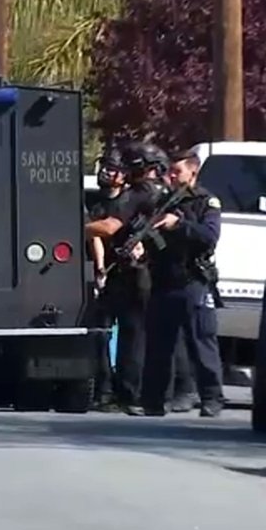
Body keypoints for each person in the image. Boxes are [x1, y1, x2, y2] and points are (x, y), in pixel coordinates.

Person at [137, 148, 225, 417]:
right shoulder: (163, 201)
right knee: (158, 346)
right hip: (164, 280)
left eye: (178, 172)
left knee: (201, 341)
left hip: (192, 280)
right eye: (170, 172)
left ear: (193, 172)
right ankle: (153, 401)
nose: (172, 177)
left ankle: (211, 399)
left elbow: (208, 236)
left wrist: (180, 224)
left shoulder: (205, 202)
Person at [85, 143, 168, 413]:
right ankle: (127, 393)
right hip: (144, 273)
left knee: (130, 337)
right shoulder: (162, 192)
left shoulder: (140, 193)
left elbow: (109, 227)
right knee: (133, 336)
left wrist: (68, 227)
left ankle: (127, 394)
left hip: (134, 274)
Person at [86, 149, 127, 410]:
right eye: (105, 166)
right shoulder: (95, 204)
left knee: (131, 337)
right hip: (104, 276)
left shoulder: (130, 201)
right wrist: (100, 269)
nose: (106, 172)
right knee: (100, 334)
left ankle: (126, 388)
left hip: (130, 275)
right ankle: (104, 389)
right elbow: (95, 237)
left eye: (113, 168)